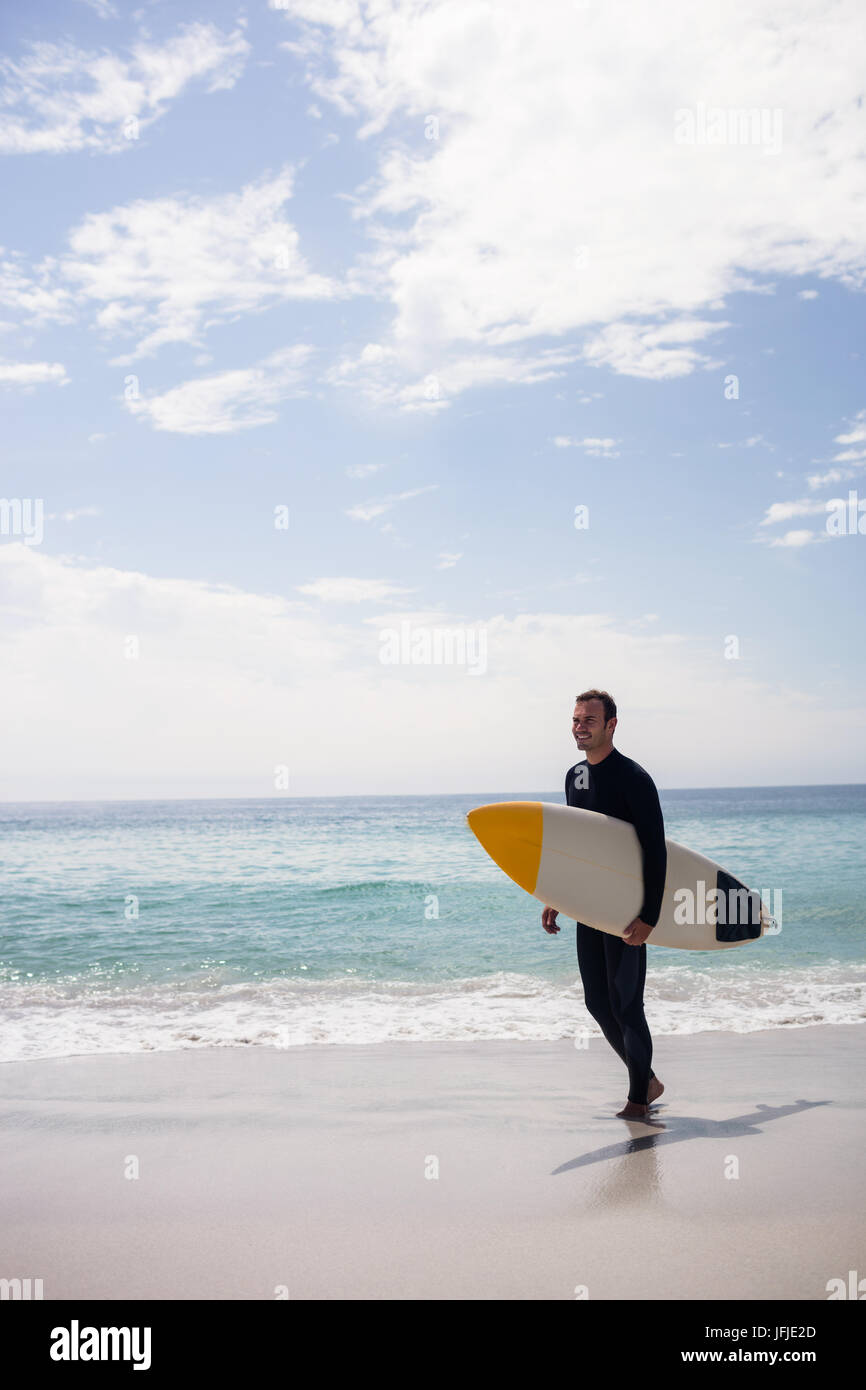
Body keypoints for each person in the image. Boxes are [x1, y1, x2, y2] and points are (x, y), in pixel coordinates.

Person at [541, 689, 667, 1119]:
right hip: (589, 908)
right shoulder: (574, 776)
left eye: (590, 720)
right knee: (598, 1002)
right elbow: (578, 847)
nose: (581, 726)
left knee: (627, 1003)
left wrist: (650, 915)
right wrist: (557, 895)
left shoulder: (633, 778)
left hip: (626, 910)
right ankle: (646, 1079)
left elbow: (655, 851)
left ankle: (638, 1100)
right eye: (576, 719)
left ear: (612, 724)